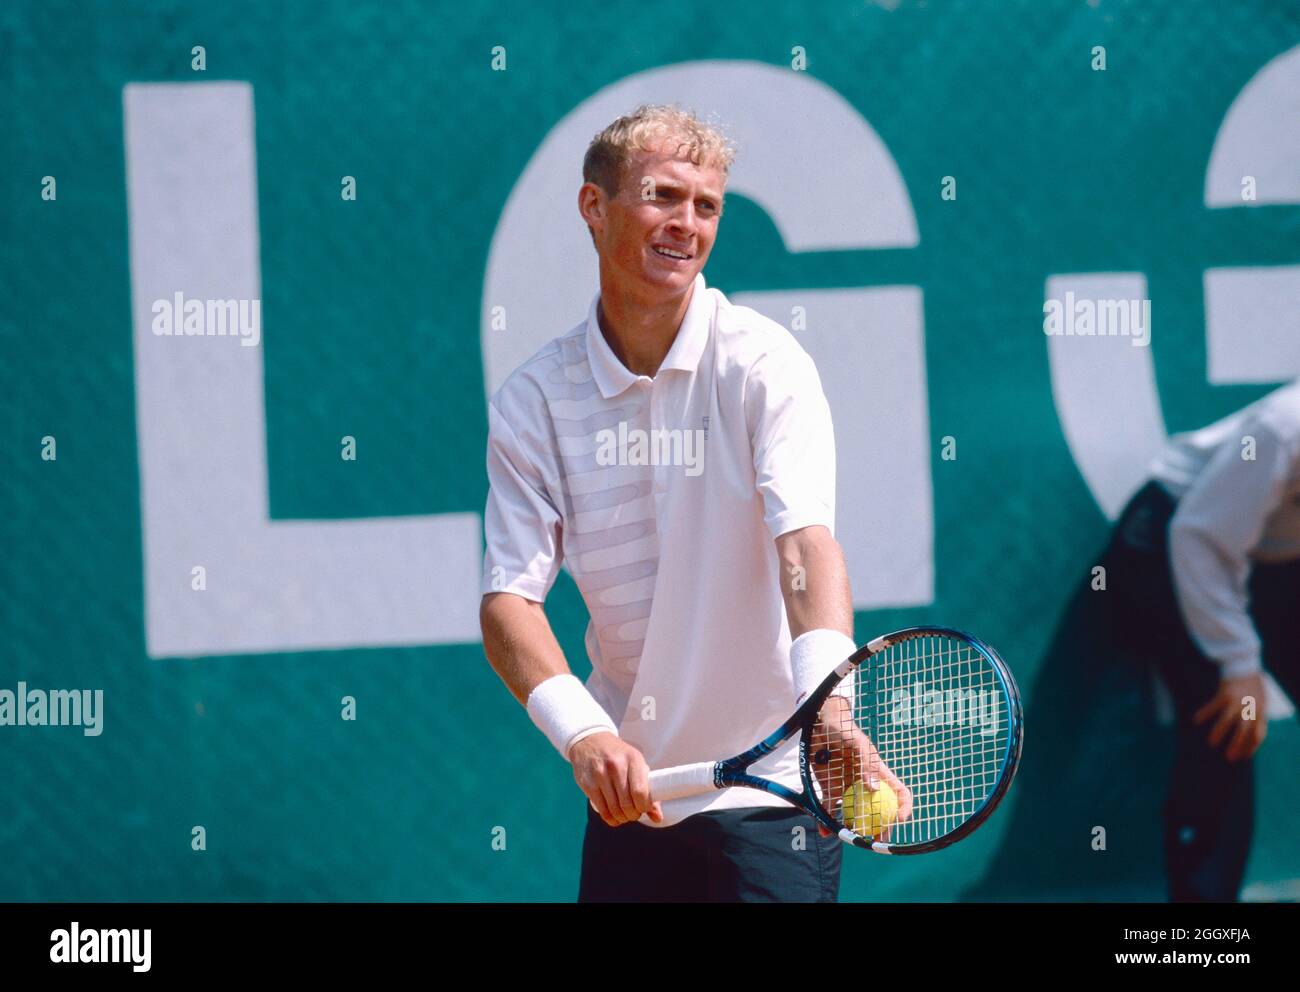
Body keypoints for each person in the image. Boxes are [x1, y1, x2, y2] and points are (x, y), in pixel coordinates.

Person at [478, 105, 911, 902]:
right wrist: (585, 736)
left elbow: (803, 546)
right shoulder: (534, 401)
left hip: (773, 799)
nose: (686, 223)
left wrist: (830, 712)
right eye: (662, 196)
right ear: (593, 207)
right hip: (635, 803)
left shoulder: (763, 365)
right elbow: (509, 601)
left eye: (706, 206)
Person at [1106, 378, 1300, 901]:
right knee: (1230, 725)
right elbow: (1199, 535)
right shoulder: (1286, 426)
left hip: (1269, 555)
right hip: (1173, 545)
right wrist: (1237, 663)